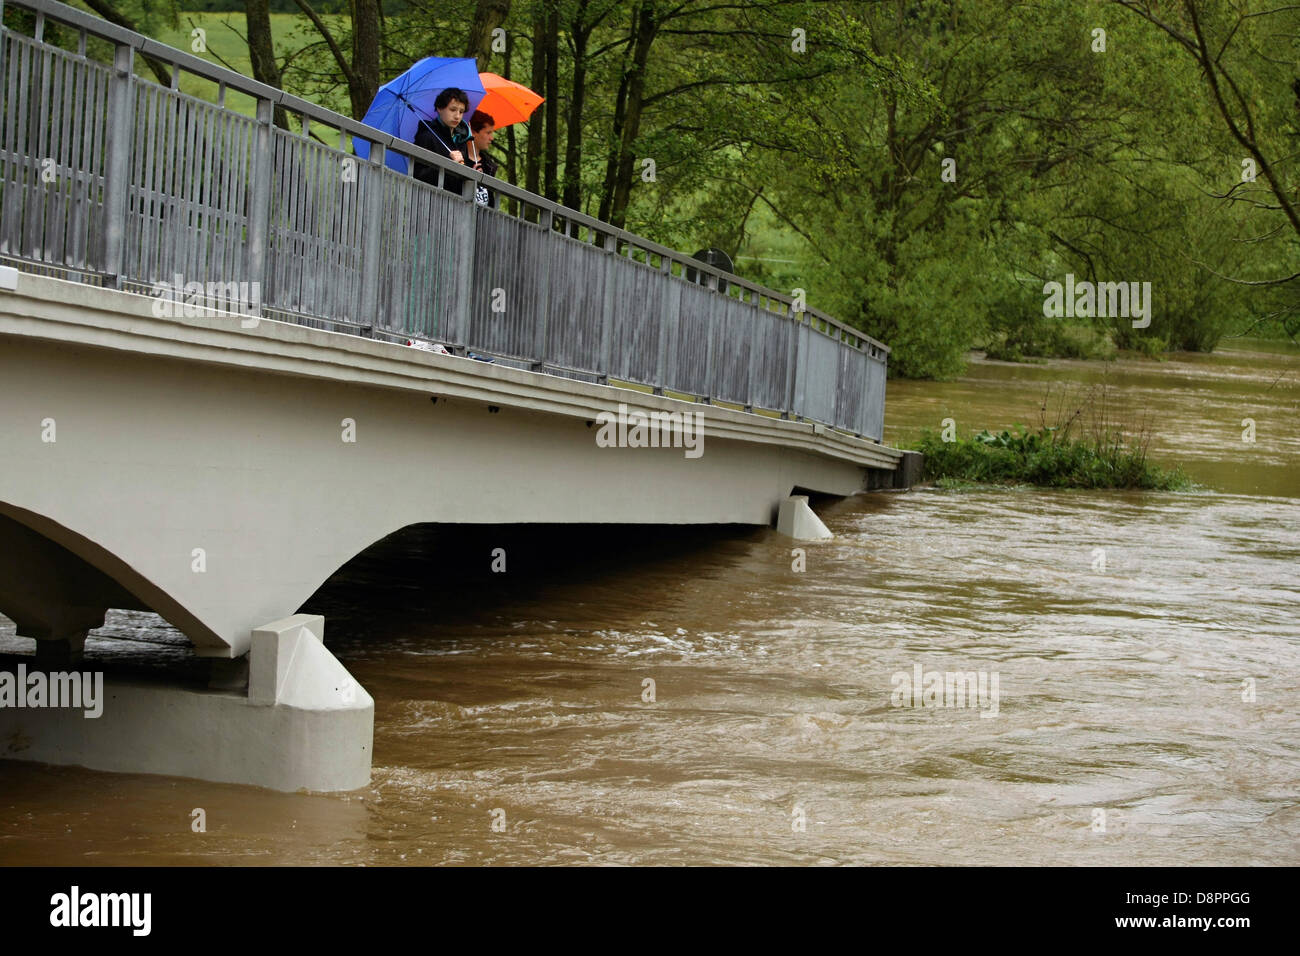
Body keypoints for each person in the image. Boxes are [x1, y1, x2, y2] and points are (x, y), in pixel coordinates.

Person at [413, 88, 471, 195]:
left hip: (457, 204)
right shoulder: (426, 136)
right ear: (439, 108)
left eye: (461, 112)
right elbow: (418, 174)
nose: (457, 116)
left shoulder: (461, 138)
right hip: (431, 201)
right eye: (453, 110)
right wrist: (449, 164)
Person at [464, 111, 499, 208]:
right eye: (488, 133)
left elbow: (490, 201)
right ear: (473, 132)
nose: (491, 138)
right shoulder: (459, 159)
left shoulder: (489, 166)